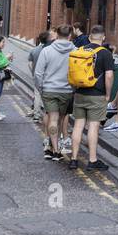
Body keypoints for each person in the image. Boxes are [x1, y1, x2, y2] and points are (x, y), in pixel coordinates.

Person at [68, 25, 114, 170]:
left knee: (78, 126)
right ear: (103, 37)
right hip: (97, 95)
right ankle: (92, 161)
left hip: (80, 93)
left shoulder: (80, 50)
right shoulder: (105, 53)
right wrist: (108, 94)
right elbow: (109, 76)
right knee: (93, 126)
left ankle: (73, 159)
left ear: (89, 37)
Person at [34, 25, 75, 160]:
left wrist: (41, 88)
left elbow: (38, 73)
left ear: (57, 34)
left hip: (49, 89)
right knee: (61, 120)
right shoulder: (75, 51)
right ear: (70, 36)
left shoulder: (47, 50)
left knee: (53, 119)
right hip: (66, 90)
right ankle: (56, 150)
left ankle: (54, 150)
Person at [28, 30, 55, 130]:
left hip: (37, 77)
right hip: (48, 78)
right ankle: (47, 113)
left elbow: (29, 64)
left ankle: (36, 115)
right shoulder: (50, 50)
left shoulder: (34, 50)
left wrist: (33, 73)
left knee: (37, 95)